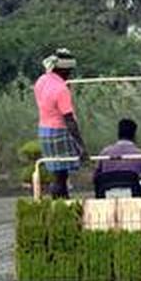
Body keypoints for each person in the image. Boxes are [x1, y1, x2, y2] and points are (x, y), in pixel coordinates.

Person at [34, 48, 87, 199]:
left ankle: (58, 204)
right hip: (59, 131)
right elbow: (69, 120)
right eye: (69, 71)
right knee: (61, 177)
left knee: (57, 174)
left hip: (44, 129)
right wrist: (81, 146)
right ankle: (61, 205)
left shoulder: (42, 80)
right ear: (64, 70)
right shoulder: (61, 89)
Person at [93, 118, 141, 198]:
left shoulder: (104, 153)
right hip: (133, 195)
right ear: (134, 135)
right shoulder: (140, 155)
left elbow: (95, 178)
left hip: (105, 194)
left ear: (118, 134)